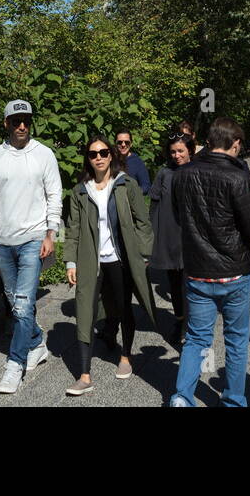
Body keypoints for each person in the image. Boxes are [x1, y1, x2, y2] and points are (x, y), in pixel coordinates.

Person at [169, 117, 250, 407]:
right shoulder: (238, 178)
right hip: (234, 272)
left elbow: (179, 218)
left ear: (208, 142)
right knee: (236, 340)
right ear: (235, 144)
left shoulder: (182, 175)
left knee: (197, 338)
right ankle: (234, 401)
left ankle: (182, 397)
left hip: (198, 270)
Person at [63, 136, 156, 395]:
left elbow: (142, 221)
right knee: (84, 311)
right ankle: (84, 375)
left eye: (104, 152)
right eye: (93, 154)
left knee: (123, 306)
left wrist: (144, 254)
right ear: (88, 159)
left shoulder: (126, 185)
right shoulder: (80, 191)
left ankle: (126, 356)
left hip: (121, 258)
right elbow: (73, 229)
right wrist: (71, 261)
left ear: (112, 155)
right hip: (91, 260)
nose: (99, 157)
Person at [0, 99, 63, 394]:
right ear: (6, 123)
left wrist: (51, 233)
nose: (22, 126)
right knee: (17, 305)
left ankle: (14, 365)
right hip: (4, 242)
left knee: (22, 304)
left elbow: (55, 194)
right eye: (16, 121)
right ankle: (36, 341)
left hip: (33, 239)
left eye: (26, 120)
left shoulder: (44, 154)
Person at [149, 133, 190, 344]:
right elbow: (154, 203)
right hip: (169, 236)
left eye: (180, 150)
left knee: (189, 284)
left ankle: (189, 326)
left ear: (190, 150)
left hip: (191, 238)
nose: (176, 155)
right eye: (173, 151)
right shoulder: (164, 173)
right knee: (174, 283)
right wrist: (151, 235)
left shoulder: (197, 172)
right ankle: (179, 318)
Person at [115, 129, 152, 194]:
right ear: (115, 143)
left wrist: (132, 193)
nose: (123, 145)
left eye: (127, 142)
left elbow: (146, 186)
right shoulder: (110, 160)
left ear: (131, 144)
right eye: (120, 142)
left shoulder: (138, 163)